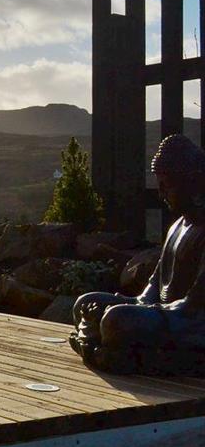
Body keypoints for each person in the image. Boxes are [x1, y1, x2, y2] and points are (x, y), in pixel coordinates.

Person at [70, 134, 205, 374]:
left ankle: (97, 341)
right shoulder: (177, 226)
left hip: (191, 323)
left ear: (193, 182)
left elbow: (192, 309)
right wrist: (131, 304)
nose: (161, 193)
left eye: (168, 185)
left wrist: (122, 315)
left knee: (117, 321)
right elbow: (152, 291)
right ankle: (101, 340)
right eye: (159, 184)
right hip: (165, 314)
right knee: (85, 303)